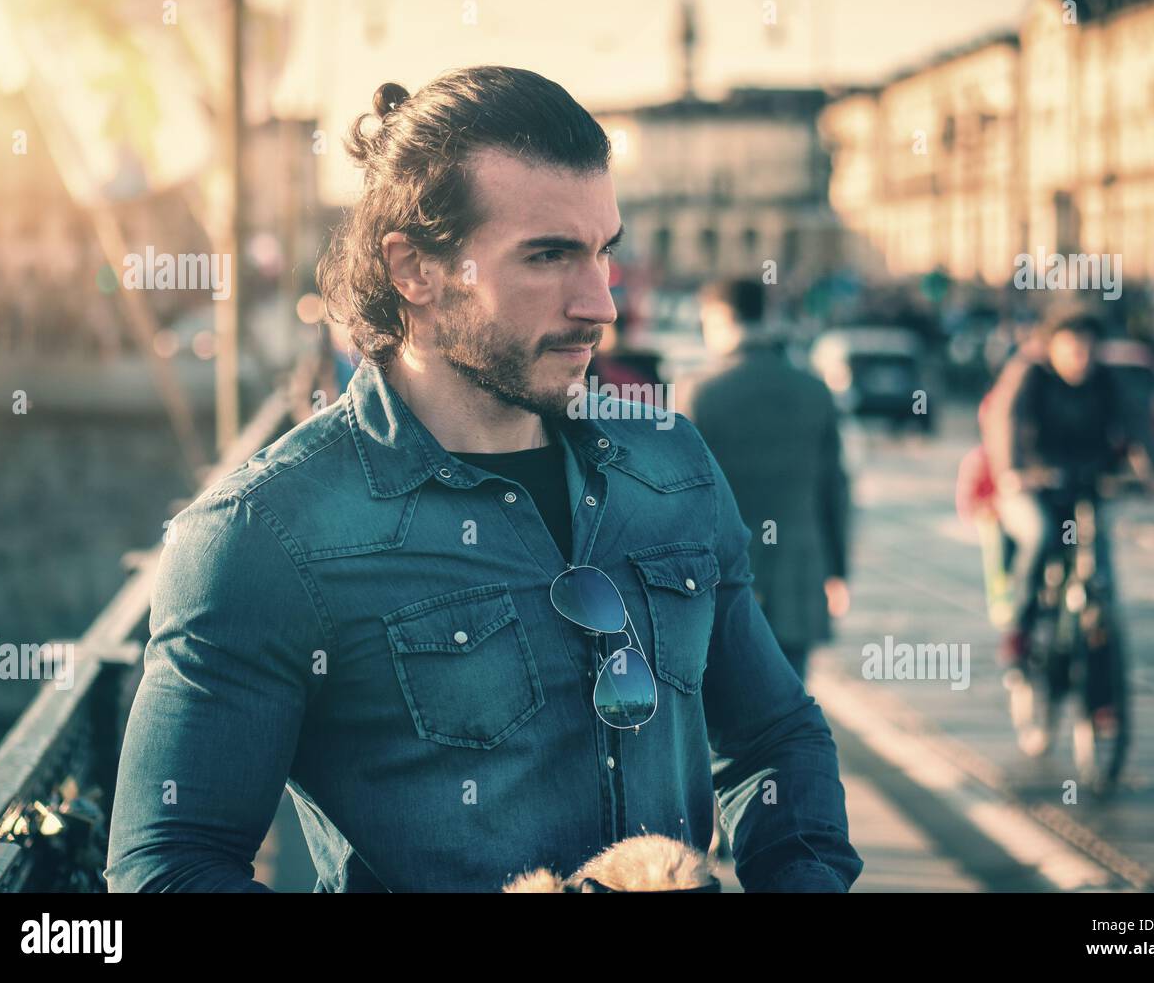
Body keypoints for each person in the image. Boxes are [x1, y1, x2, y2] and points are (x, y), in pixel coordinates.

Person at [104, 67, 862, 894]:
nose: (598, 302)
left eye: (603, 251)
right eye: (548, 257)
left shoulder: (671, 460)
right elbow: (168, 865)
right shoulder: (263, 534)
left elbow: (775, 736)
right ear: (414, 270)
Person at [678, 278, 851, 682]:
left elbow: (684, 498)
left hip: (721, 583)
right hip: (799, 574)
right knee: (787, 708)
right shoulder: (813, 390)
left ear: (721, 318)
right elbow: (835, 488)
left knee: (722, 718)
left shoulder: (699, 393)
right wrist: (837, 570)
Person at [985, 310, 1128, 673]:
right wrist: (1012, 472)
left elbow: (1133, 425)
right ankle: (1019, 630)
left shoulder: (1105, 381)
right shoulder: (1031, 375)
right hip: (1032, 484)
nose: (1081, 358)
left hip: (1084, 482)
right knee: (1041, 536)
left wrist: (1153, 473)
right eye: (1072, 349)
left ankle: (1099, 628)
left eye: (1087, 350)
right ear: (1052, 349)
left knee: (1100, 551)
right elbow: (1005, 420)